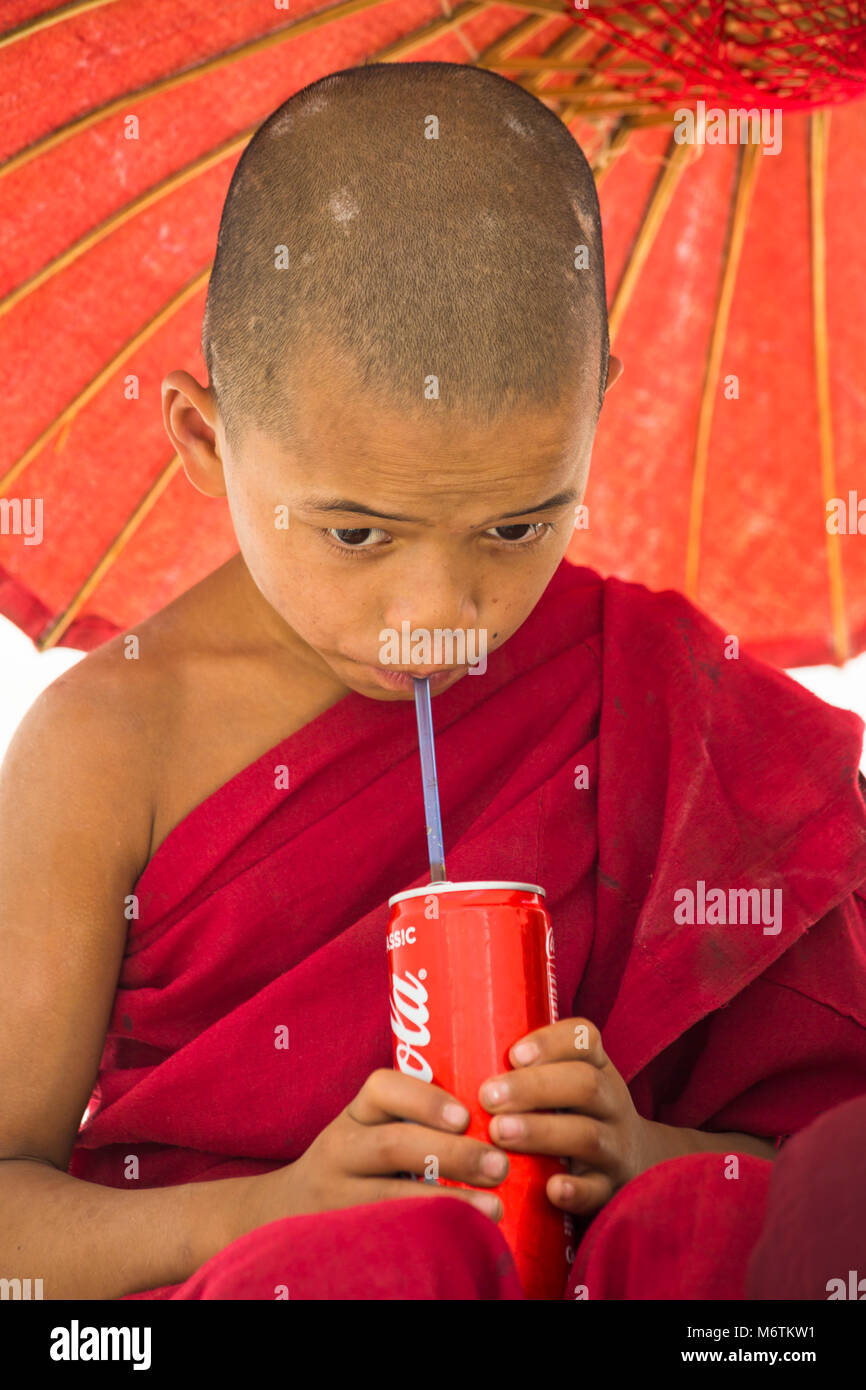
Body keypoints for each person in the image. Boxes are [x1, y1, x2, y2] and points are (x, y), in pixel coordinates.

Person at [1, 62, 865, 1302]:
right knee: (380, 1263)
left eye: (517, 528)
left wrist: (635, 1155)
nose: (436, 622)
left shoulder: (674, 698)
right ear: (202, 436)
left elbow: (809, 1162)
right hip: (256, 1287)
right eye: (357, 536)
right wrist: (264, 1214)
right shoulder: (112, 741)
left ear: (592, 418)